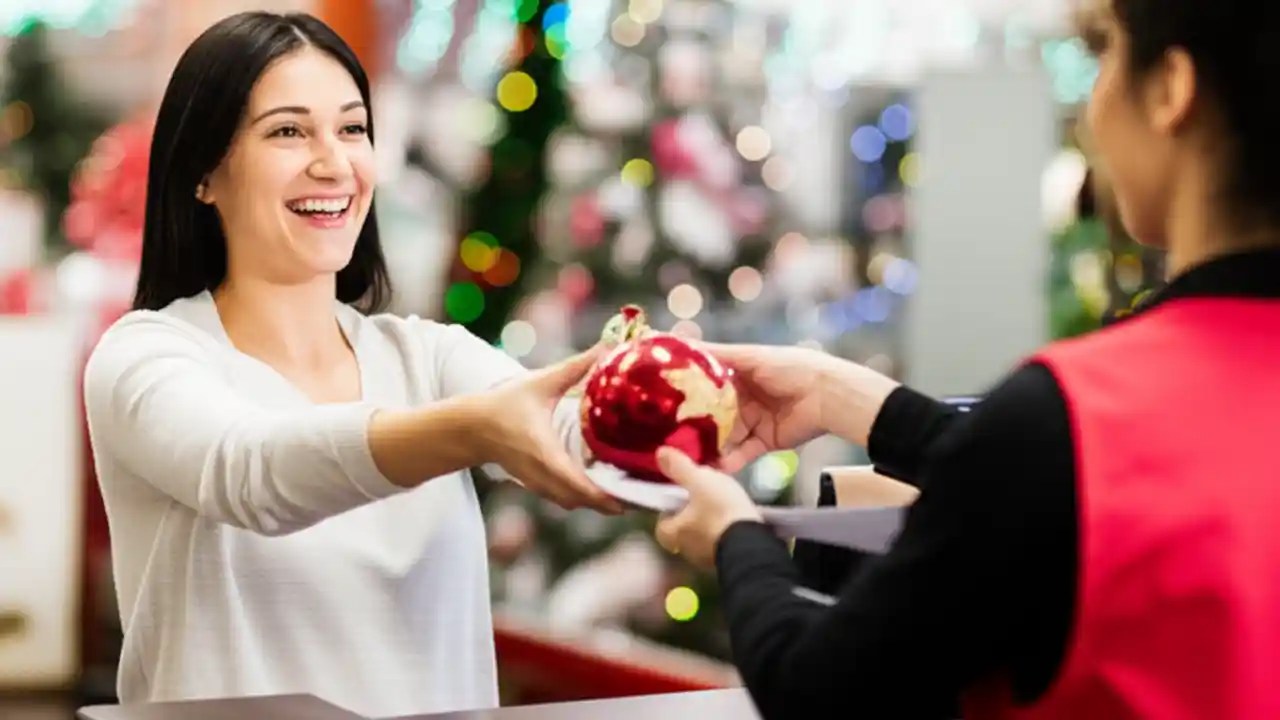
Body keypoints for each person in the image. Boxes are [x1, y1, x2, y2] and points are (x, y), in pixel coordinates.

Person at [655, 1, 1280, 718]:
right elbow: (1079, 490)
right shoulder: (1078, 434)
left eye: (1107, 58)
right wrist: (851, 398)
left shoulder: (1070, 418)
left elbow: (818, 692)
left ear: (1171, 89)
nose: (1094, 110)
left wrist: (735, 538)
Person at [82, 11, 621, 718]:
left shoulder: (429, 358)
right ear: (204, 172)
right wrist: (473, 431)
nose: (333, 162)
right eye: (287, 131)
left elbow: (587, 439)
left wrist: (764, 389)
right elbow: (249, 473)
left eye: (352, 128)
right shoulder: (147, 355)